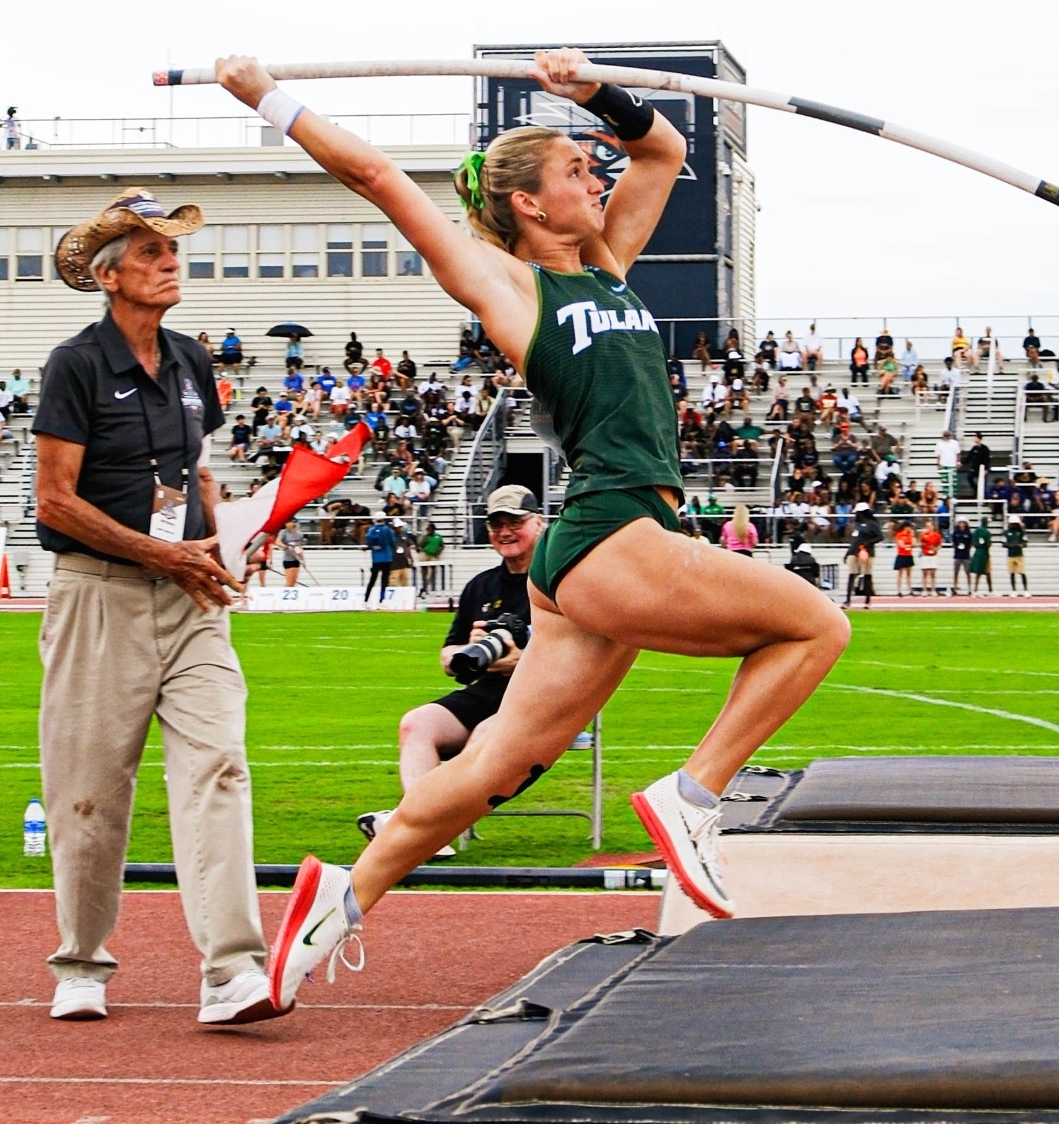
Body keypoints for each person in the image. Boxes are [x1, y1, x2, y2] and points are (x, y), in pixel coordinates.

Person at [216, 50, 848, 1010]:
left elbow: (663, 148)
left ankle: (340, 901)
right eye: (571, 169)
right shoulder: (510, 288)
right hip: (610, 528)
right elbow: (379, 177)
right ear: (529, 207)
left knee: (493, 766)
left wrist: (591, 92)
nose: (595, 174)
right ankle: (693, 797)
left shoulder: (607, 266)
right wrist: (264, 95)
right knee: (814, 627)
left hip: (585, 553)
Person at [31, 188, 276, 1025]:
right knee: (90, 790)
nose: (171, 264)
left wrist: (224, 535)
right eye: (150, 254)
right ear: (109, 277)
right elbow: (54, 503)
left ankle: (233, 972)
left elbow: (191, 470)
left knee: (221, 767)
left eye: (173, 253)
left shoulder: (190, 360)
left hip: (191, 597)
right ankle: (82, 962)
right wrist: (162, 552)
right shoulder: (74, 364)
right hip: (98, 599)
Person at [365, 486, 543, 858]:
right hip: (486, 689)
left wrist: (516, 658)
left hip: (540, 696)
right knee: (416, 723)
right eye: (496, 524)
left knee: (484, 737)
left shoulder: (557, 582)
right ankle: (427, 831)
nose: (505, 531)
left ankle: (415, 827)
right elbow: (449, 654)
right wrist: (468, 652)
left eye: (515, 522)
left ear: (539, 523)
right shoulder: (481, 585)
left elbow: (577, 658)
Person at [844, 501, 880, 608]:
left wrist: (868, 543)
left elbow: (880, 537)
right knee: (852, 574)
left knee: (867, 576)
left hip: (867, 552)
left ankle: (867, 601)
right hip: (854, 551)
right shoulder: (855, 524)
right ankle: (848, 600)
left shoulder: (873, 524)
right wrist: (848, 553)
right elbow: (853, 540)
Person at [1003, 515, 1030, 597]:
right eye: (1012, 524)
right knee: (1012, 573)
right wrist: (1012, 545)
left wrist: (1020, 545)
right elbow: (1004, 544)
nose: (1013, 525)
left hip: (1019, 555)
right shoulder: (1006, 533)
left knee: (1022, 573)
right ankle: (1013, 590)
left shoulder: (1022, 532)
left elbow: (1025, 543)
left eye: (1015, 524)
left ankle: (1025, 590)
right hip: (1010, 555)